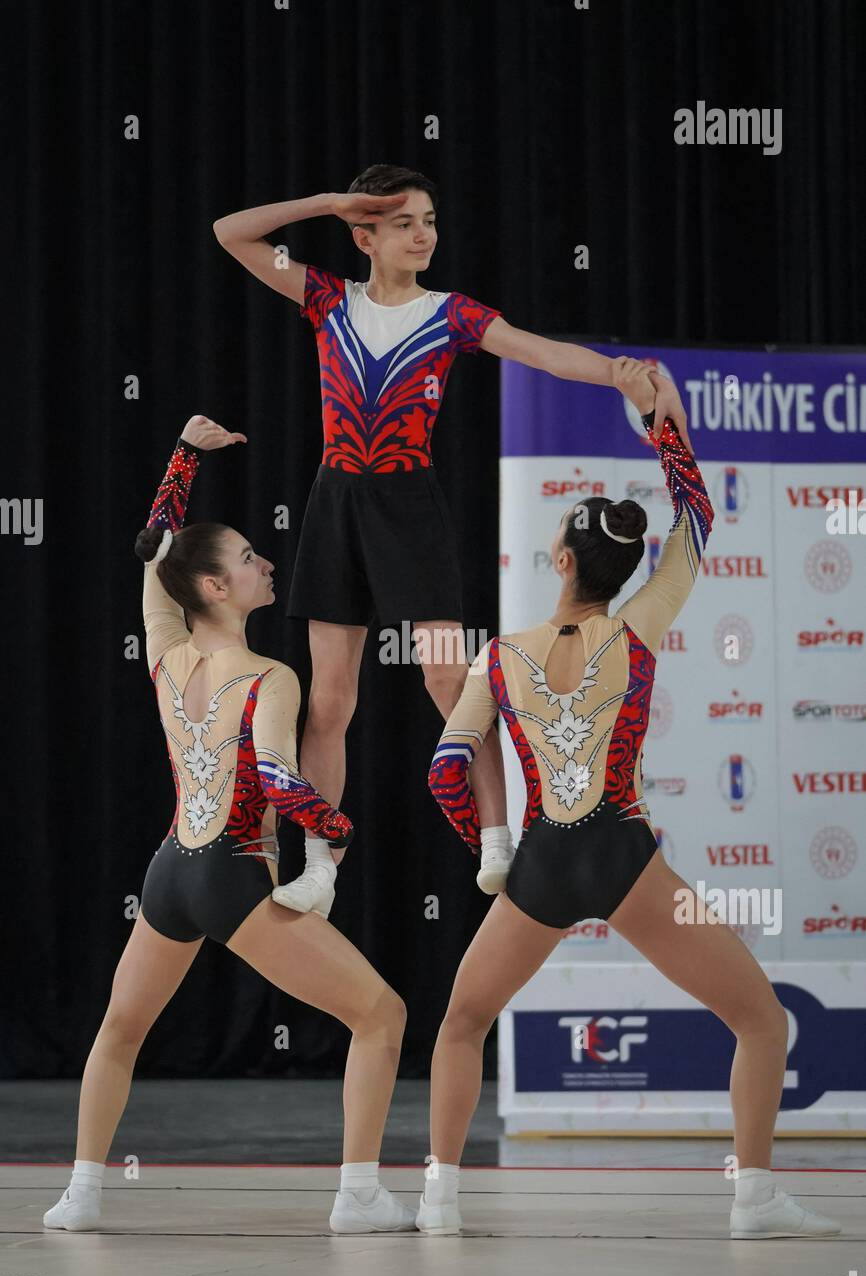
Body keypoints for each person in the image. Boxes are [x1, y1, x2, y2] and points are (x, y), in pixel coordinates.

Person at [422, 361, 841, 1241]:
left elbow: (447, 767)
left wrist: (490, 849)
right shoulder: (640, 625)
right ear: (622, 567)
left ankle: (439, 1201)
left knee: (461, 1024)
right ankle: (755, 1199)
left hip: (539, 863)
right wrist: (665, 424)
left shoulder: (499, 658)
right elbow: (695, 519)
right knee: (759, 1019)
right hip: (624, 857)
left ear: (561, 560)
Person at [212, 163, 692, 917]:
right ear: (364, 234)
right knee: (330, 700)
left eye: (430, 220)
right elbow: (229, 234)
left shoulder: (453, 315)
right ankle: (320, 865)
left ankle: (498, 839)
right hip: (335, 508)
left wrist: (620, 375)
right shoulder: (326, 298)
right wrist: (326, 203)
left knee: (449, 681)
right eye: (405, 222)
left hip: (410, 514)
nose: (425, 233)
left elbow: (539, 351)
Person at [43, 415, 416, 1236]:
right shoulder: (268, 678)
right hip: (234, 875)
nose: (268, 562)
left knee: (119, 1030)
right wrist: (337, 830)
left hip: (170, 873)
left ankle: (82, 1194)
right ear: (214, 586)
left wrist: (181, 457)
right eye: (249, 559)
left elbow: (153, 552)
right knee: (381, 1014)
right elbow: (282, 781)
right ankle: (357, 1195)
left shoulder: (166, 651)